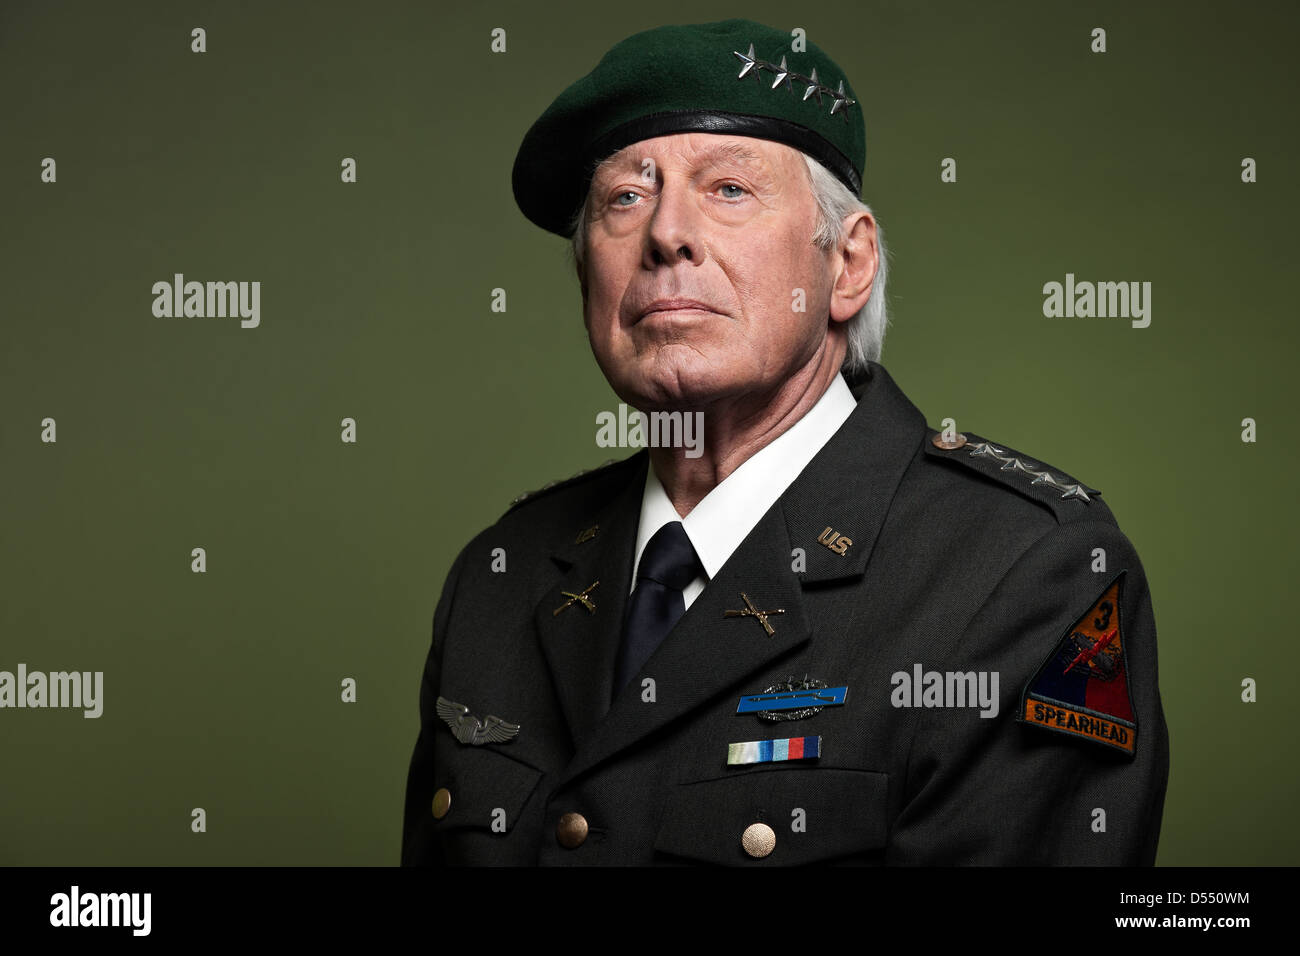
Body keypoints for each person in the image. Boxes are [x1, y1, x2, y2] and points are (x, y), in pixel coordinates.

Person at [401, 17, 1169, 865]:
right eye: (625, 196)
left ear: (847, 266)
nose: (665, 233)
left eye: (728, 188)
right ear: (588, 277)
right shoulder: (500, 577)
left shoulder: (1027, 573)